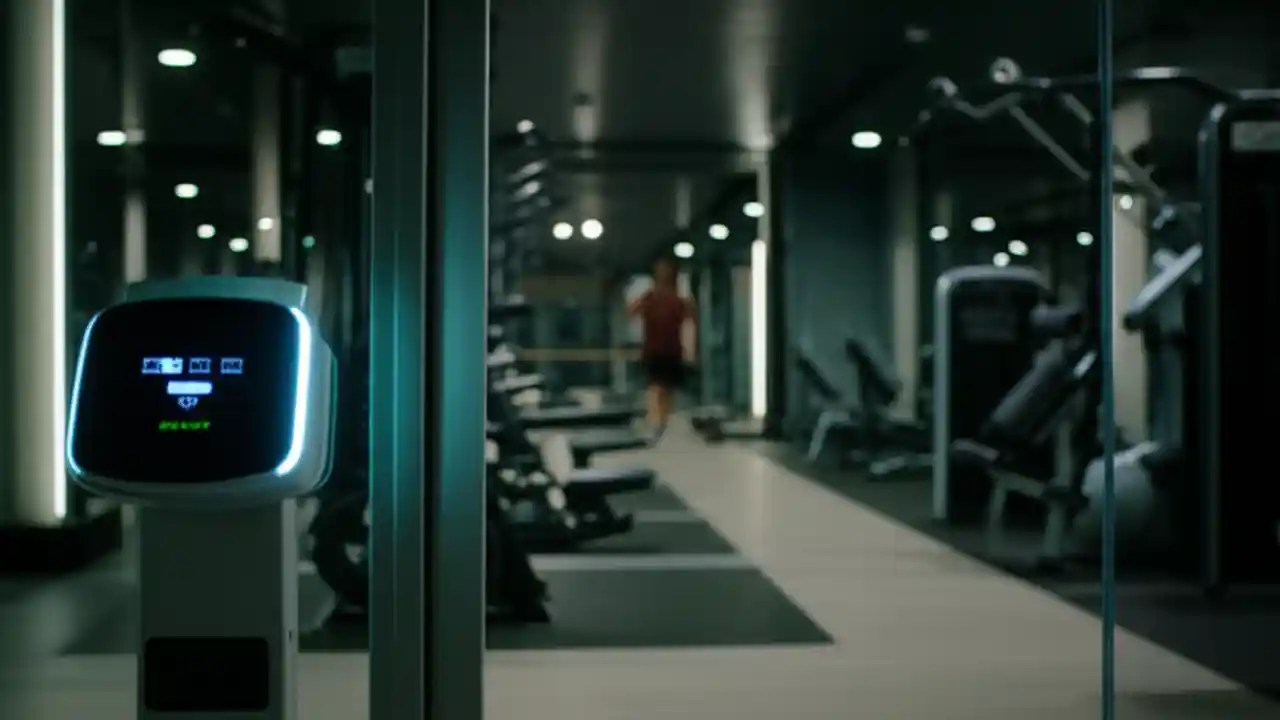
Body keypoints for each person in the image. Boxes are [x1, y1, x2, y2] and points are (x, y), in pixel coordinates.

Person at [627, 257, 696, 439]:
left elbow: (690, 321)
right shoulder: (651, 298)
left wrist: (690, 350)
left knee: (666, 388)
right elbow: (632, 311)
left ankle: (661, 420)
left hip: (671, 349)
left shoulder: (677, 301)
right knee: (656, 386)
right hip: (654, 349)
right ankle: (657, 420)